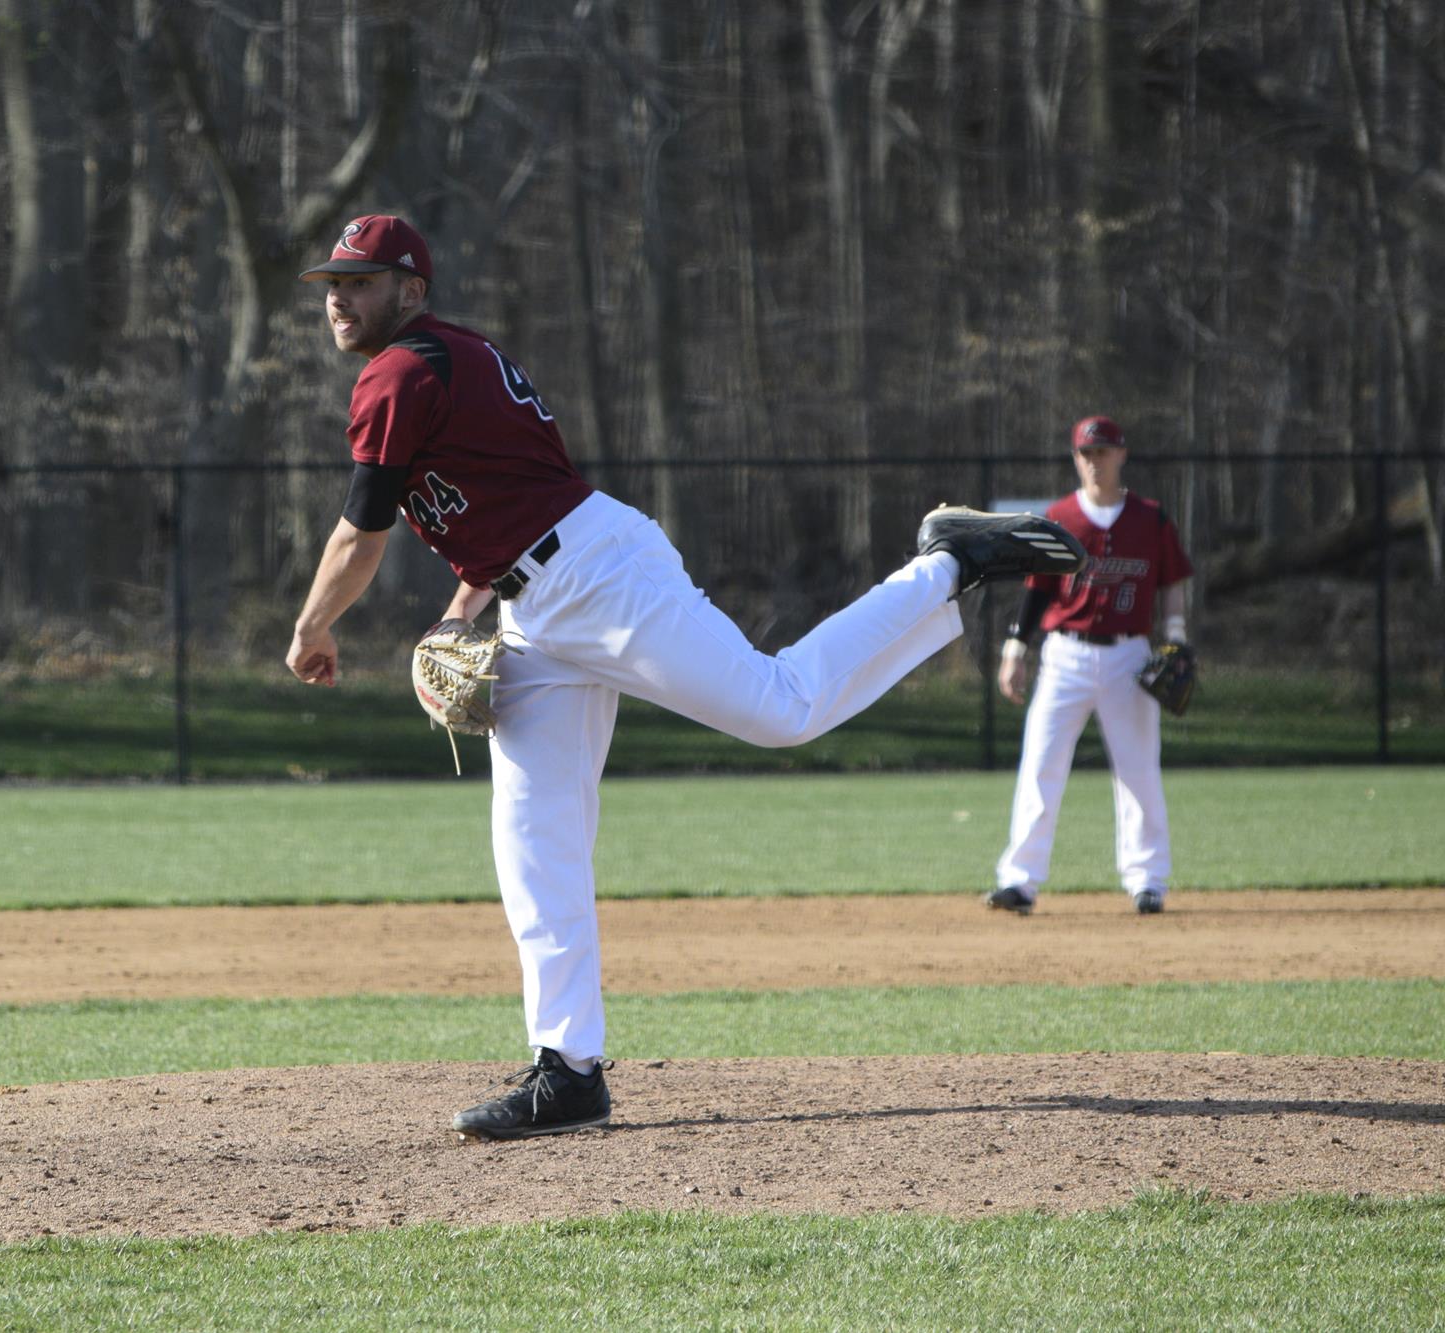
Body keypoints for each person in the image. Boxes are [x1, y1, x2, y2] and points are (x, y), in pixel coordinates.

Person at [284, 214, 1087, 1139]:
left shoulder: (402, 369)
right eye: (332, 284)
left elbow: (360, 532)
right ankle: (569, 1068)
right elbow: (513, 499)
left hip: (596, 580)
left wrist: (312, 628)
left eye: (362, 280)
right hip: (539, 604)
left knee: (780, 707)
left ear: (411, 291)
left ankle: (948, 562)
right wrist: (462, 613)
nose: (340, 297)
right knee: (534, 835)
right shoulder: (451, 361)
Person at [987, 415, 1194, 917]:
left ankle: (1148, 881)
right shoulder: (1059, 517)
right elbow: (1037, 589)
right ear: (1075, 458)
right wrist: (1016, 649)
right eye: (1086, 453)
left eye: (1103, 451)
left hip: (1129, 655)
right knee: (1041, 764)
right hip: (1066, 656)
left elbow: (1172, 582)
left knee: (1138, 770)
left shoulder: (1150, 518)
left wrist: (1177, 637)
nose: (1094, 461)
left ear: (1121, 454)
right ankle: (1019, 881)